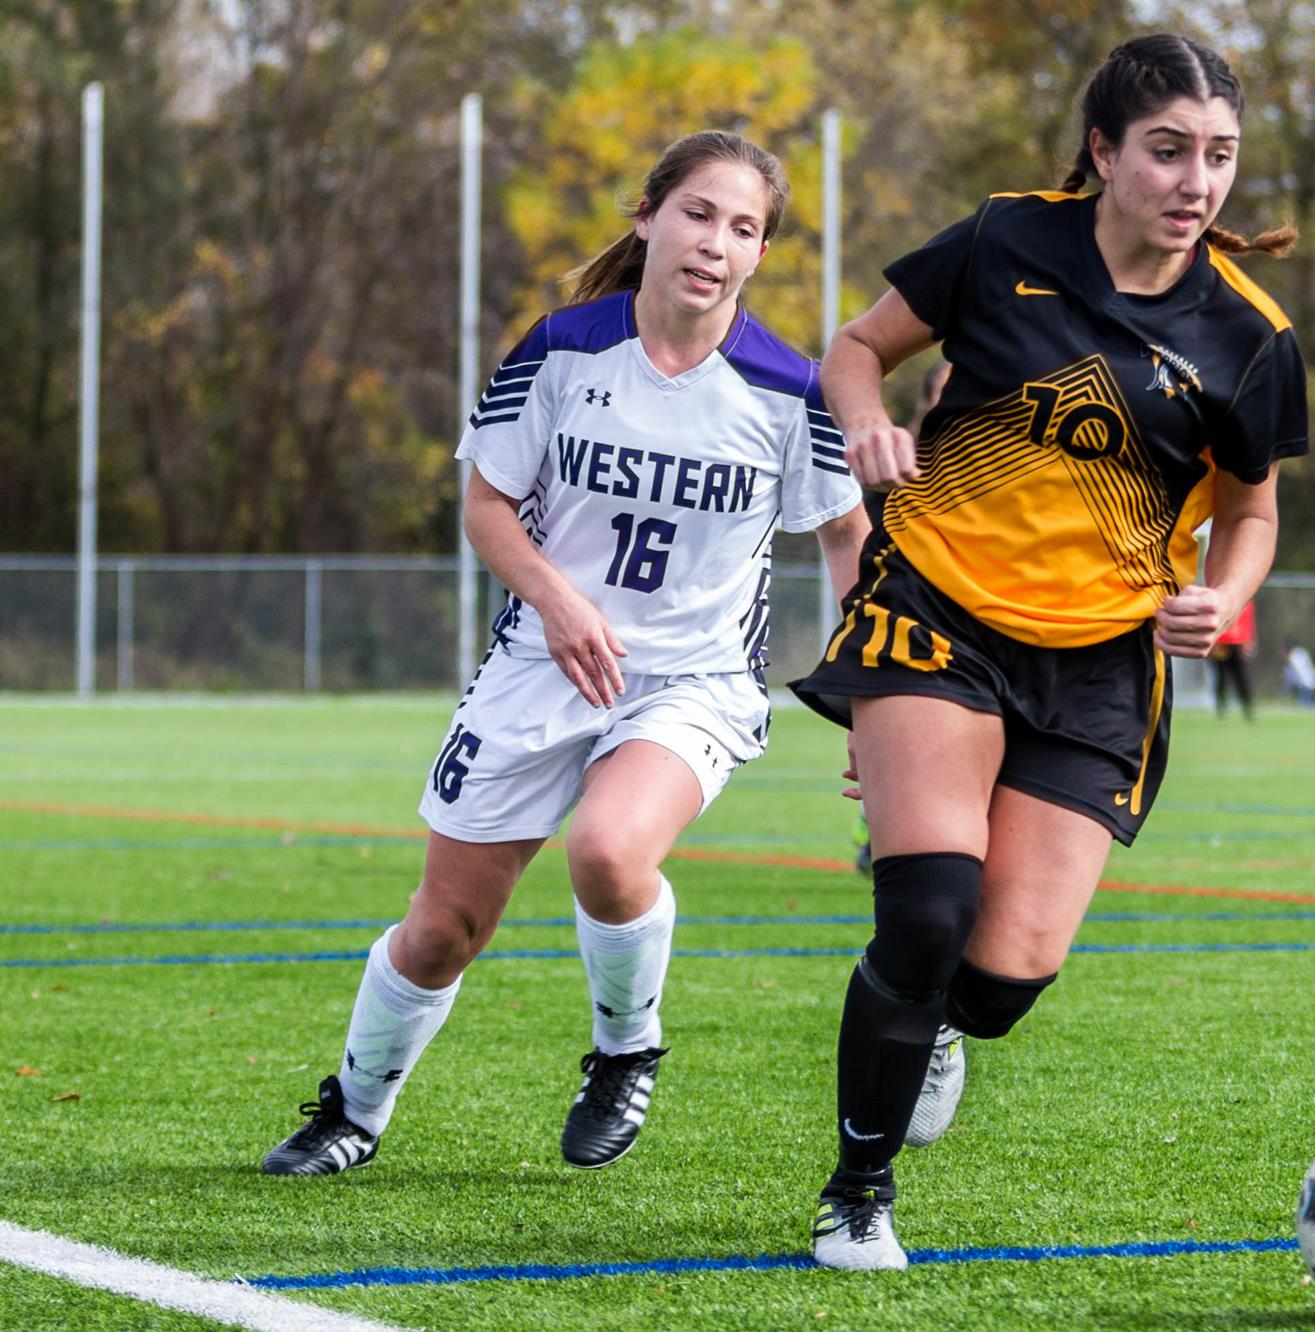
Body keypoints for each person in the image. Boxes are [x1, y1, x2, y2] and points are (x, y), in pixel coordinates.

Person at [791, 34, 1308, 1268]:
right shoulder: (1003, 240)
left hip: (1100, 662)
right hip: (938, 605)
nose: (1197, 181)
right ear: (1102, 152)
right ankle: (855, 1193)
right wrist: (864, 425)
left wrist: (1223, 597)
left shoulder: (1250, 338)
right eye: (1169, 151)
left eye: (1219, 156)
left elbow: (1251, 512)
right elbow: (854, 350)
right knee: (925, 913)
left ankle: (944, 1025)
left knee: (1005, 972)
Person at [260, 131, 867, 1176]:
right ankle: (353, 1110)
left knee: (608, 850)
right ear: (647, 218)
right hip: (543, 666)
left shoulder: (787, 390)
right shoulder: (561, 347)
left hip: (691, 682)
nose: (714, 243)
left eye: (743, 228)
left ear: (762, 254)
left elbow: (849, 537)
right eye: (696, 214)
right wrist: (554, 600)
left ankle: (626, 1050)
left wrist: (870, 702)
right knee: (443, 926)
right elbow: (487, 504)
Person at [852, 360, 951, 876]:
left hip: (973, 624)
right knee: (898, 745)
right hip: (902, 619)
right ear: (928, 403)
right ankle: (879, 829)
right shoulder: (893, 466)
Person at [1209, 599, 1256, 718]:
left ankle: (1248, 709)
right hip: (1221, 643)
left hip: (1239, 644)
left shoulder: (1247, 600)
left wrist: (1249, 641)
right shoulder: (1219, 598)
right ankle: (1221, 709)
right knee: (1221, 678)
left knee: (1242, 678)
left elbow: (1249, 623)